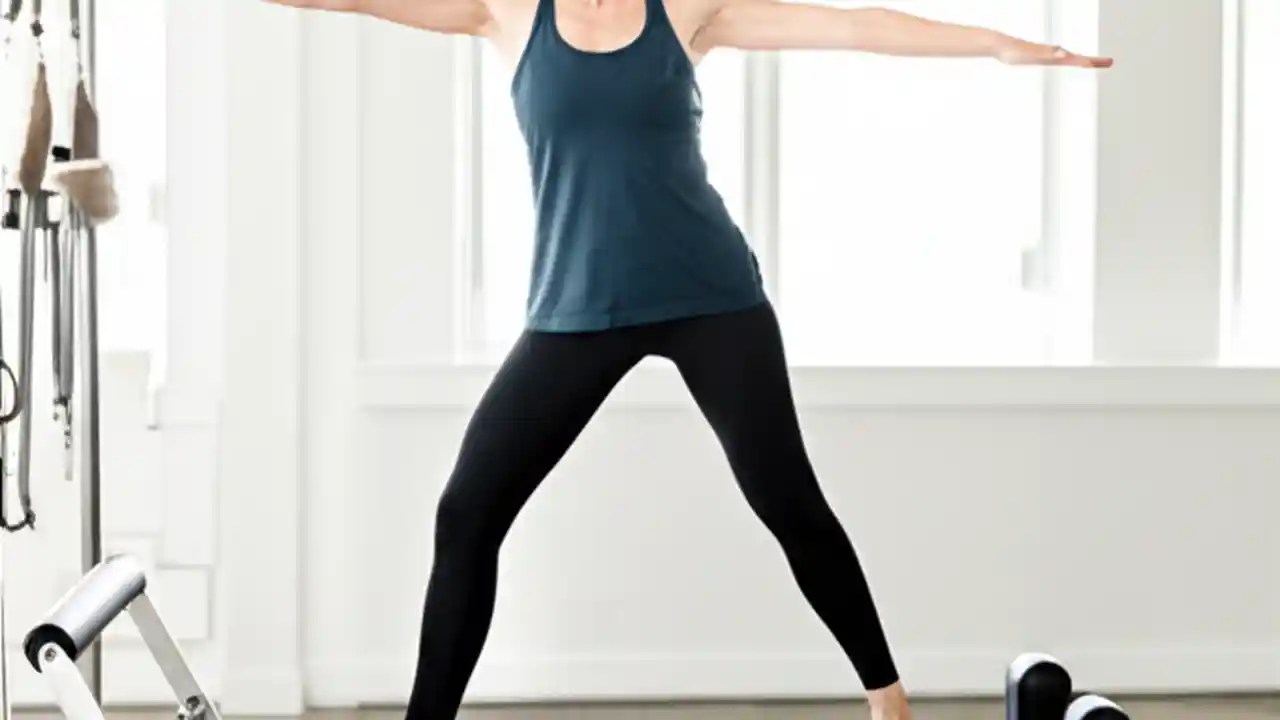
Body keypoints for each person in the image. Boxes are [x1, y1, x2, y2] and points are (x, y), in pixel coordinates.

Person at [267, 0, 1111, 717]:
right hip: (577, 308)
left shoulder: (684, 10)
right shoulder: (510, 11)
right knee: (467, 514)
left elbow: (852, 25)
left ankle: (888, 701)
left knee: (789, 502)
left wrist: (996, 44)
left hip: (711, 297)